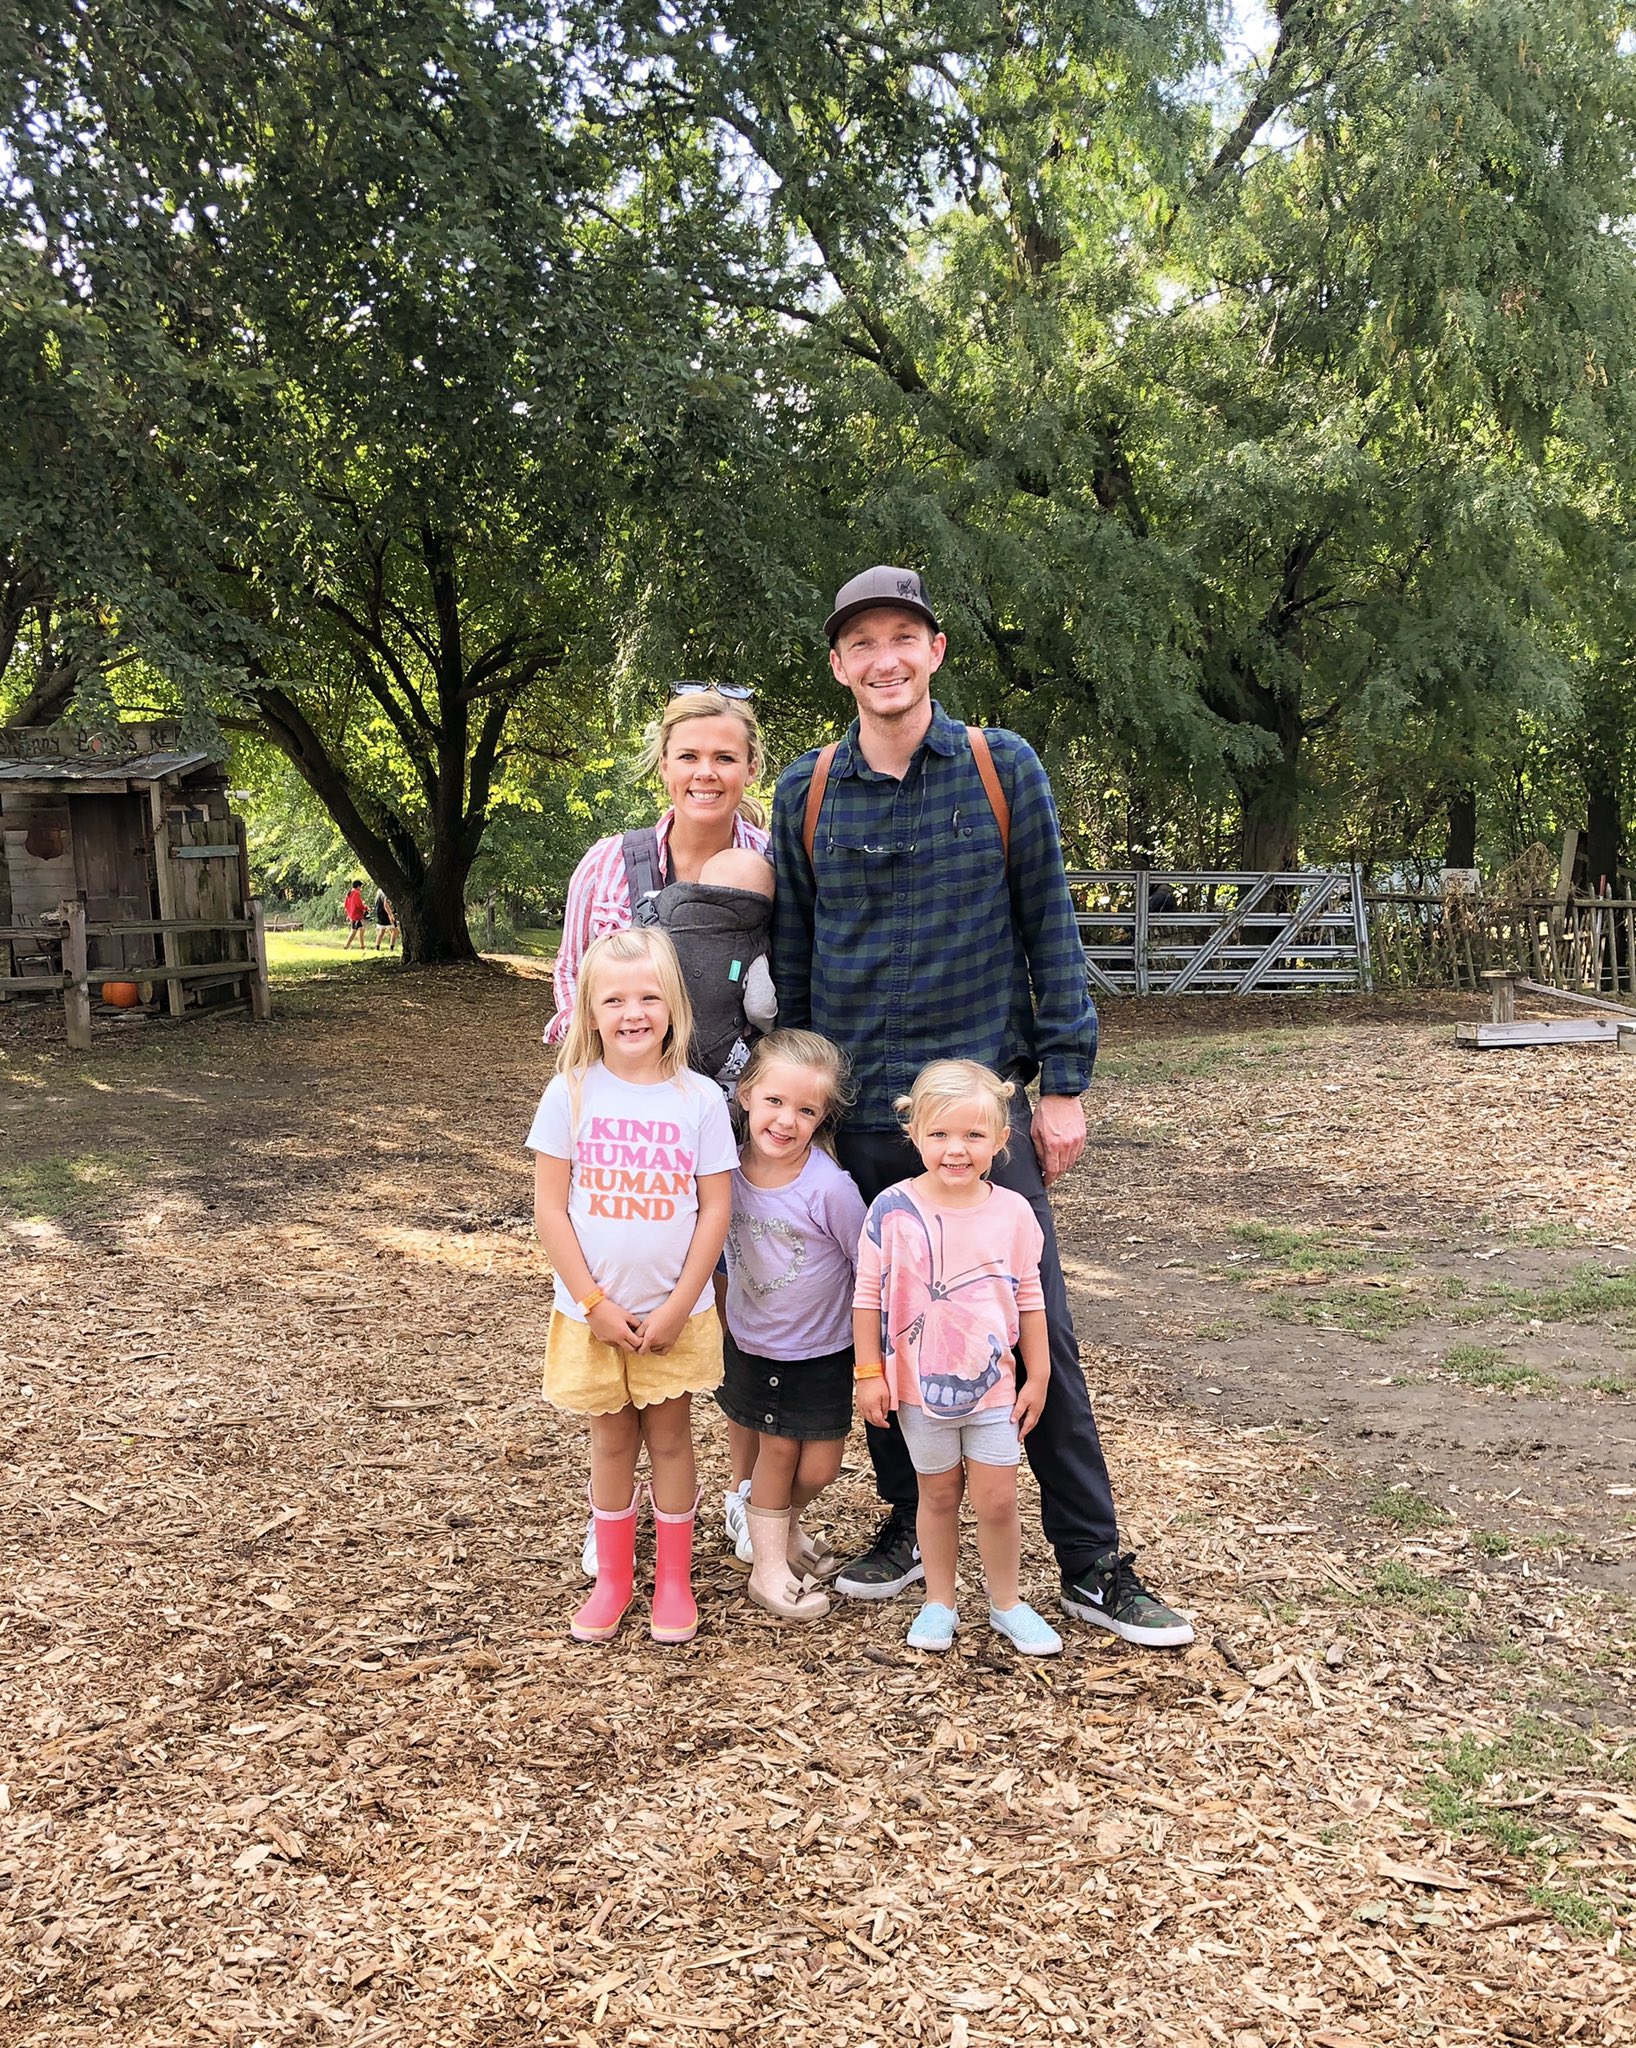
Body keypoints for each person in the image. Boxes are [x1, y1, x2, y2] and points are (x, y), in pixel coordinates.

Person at [771, 563, 1193, 1649]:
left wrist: (1064, 1084)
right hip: (864, 1114)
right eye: (861, 642)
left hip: (980, 1111)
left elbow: (1050, 924)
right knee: (887, 1324)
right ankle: (914, 1517)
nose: (884, 659)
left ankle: (1093, 1558)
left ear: (936, 649)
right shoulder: (806, 787)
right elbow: (797, 959)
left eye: (901, 636)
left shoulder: (1002, 768)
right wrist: (803, 1106)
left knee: (1024, 1326)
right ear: (838, 665)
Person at [549, 684, 769, 1566]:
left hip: (741, 1115)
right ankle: (619, 1499)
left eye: (725, 756)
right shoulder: (613, 865)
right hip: (632, 1130)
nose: (706, 772)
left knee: (740, 1302)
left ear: (749, 769)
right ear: (664, 765)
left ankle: (745, 1493)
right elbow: (573, 991)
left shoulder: (775, 860)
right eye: (690, 756)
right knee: (627, 1290)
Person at [528, 926, 738, 1644]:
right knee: (612, 1444)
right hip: (592, 1314)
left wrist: (680, 1304)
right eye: (613, 999)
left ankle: (673, 1581)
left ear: (674, 1006)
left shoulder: (701, 1099)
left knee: (673, 1441)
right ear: (589, 1012)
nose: (632, 1012)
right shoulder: (571, 1093)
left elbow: (716, 1209)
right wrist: (593, 1302)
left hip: (674, 1314)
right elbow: (550, 1207)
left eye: (649, 996)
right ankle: (615, 1578)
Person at [854, 1060, 1061, 1655]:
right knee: (936, 1494)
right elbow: (867, 1296)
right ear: (914, 1134)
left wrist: (1040, 1372)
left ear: (1000, 1141)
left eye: (973, 1135)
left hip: (994, 1387)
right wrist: (869, 1372)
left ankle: (1006, 1603)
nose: (955, 1149)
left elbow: (1029, 1298)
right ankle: (939, 1601)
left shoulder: (1014, 1213)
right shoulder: (890, 1209)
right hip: (918, 1387)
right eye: (940, 1134)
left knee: (998, 1499)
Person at [717, 1029, 866, 1622]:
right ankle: (769, 1570)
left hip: (825, 1347)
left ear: (823, 1116)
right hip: (755, 1344)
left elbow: (867, 1261)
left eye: (806, 1109)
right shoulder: (723, 1171)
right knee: (778, 1451)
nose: (786, 1120)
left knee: (822, 1465)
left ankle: (778, 1526)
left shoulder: (828, 1187)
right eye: (775, 1101)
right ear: (747, 1094)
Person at [635, 846, 776, 1089]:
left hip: (652, 1045)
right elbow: (760, 1008)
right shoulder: (749, 943)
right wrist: (769, 1029)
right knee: (750, 1082)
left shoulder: (654, 913)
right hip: (717, 1054)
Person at [342, 880, 367, 950]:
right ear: (358, 886)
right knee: (354, 930)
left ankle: (362, 946)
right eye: (361, 886)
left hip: (352, 914)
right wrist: (366, 908)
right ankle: (346, 946)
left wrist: (348, 914)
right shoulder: (356, 893)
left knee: (362, 930)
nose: (361, 888)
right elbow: (358, 905)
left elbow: (346, 905)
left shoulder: (349, 893)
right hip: (356, 915)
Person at [373, 886, 398, 951]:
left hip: (380, 913)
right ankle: (391, 948)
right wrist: (390, 915)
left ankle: (377, 947)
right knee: (395, 930)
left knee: (382, 930)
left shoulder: (379, 891)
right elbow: (386, 904)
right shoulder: (386, 892)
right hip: (386, 913)